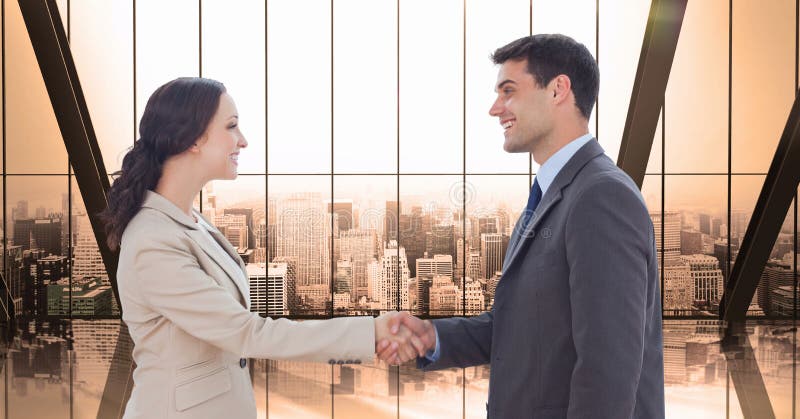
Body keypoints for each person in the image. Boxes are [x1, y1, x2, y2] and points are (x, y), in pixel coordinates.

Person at [379, 34, 665, 418]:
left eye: (509, 91)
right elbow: (520, 327)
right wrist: (434, 337)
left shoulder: (600, 197)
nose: (495, 108)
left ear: (558, 90)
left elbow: (608, 369)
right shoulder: (555, 193)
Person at [100, 77, 419, 419]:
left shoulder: (191, 221)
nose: (244, 141)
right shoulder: (153, 240)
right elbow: (247, 333)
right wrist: (369, 332)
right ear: (192, 138)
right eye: (232, 126)